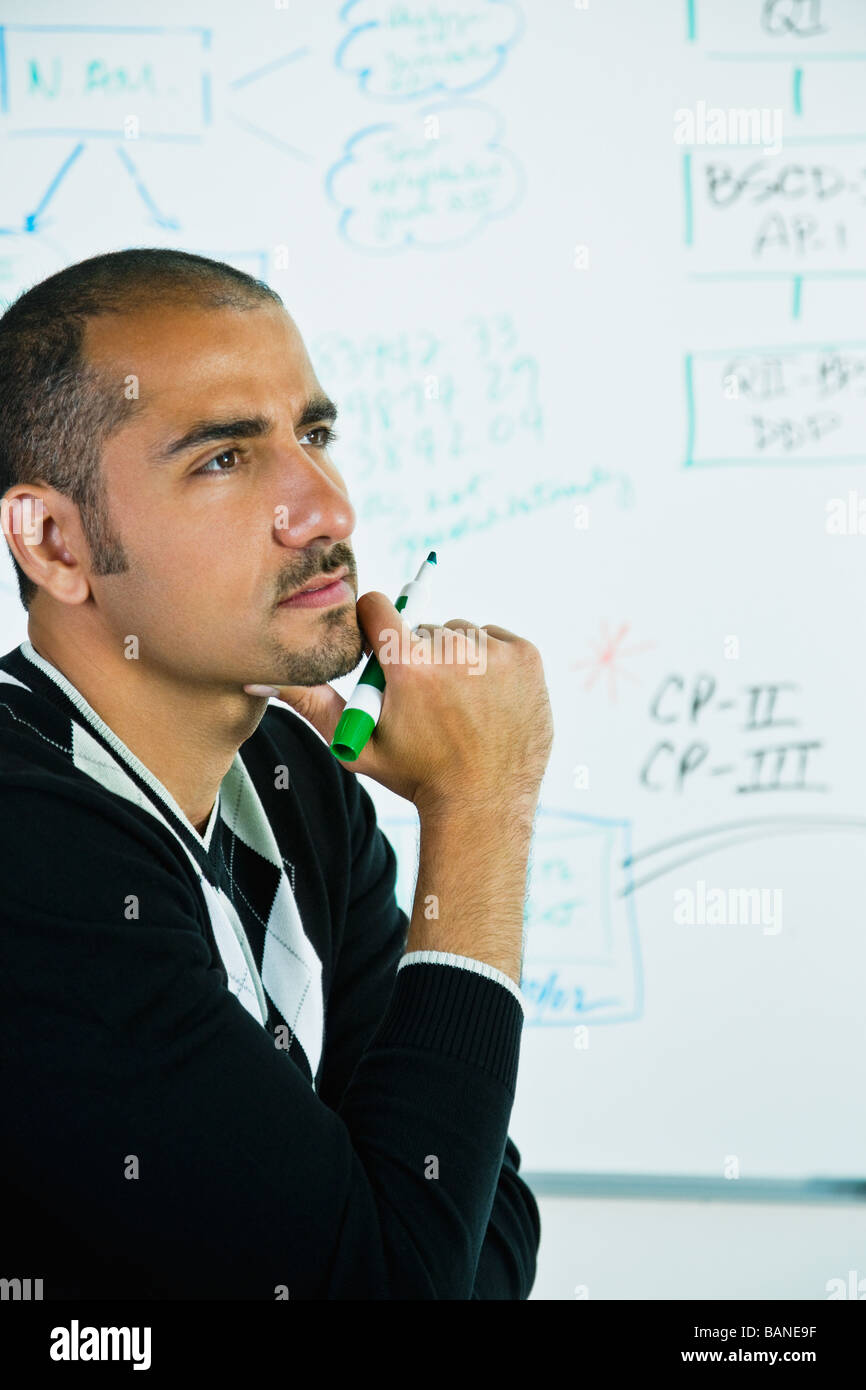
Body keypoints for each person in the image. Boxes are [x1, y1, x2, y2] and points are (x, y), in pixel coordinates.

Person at [0, 249, 554, 1299]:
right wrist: (479, 805)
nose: (327, 510)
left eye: (313, 434)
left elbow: (474, 1222)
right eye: (223, 458)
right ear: (53, 540)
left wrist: (405, 1228)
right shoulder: (26, 844)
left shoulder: (298, 780)